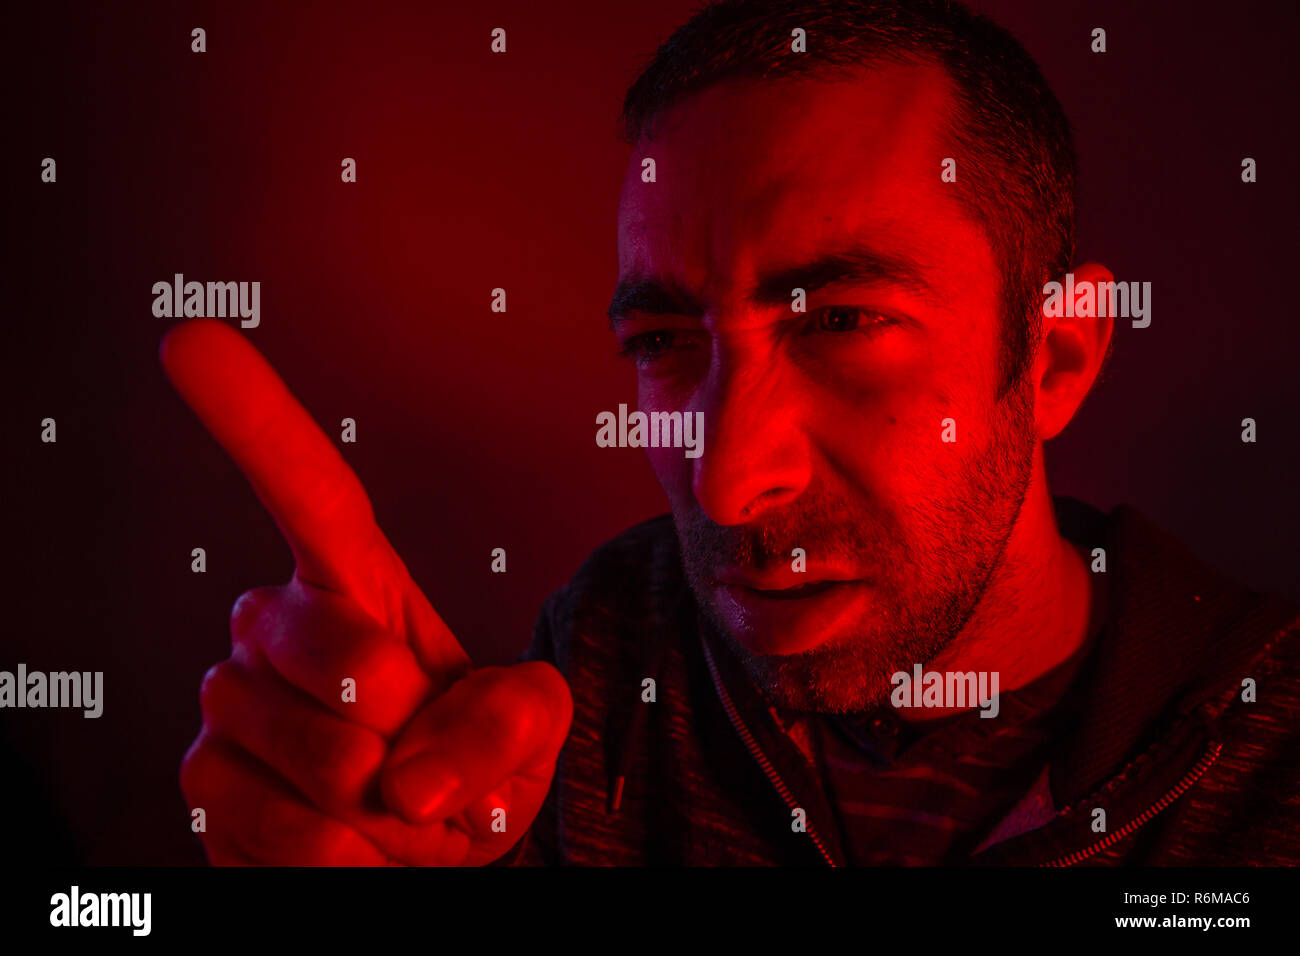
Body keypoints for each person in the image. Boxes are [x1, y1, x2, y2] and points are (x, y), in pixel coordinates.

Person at [166, 0, 1300, 866]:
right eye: (665, 340)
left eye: (846, 323)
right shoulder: (602, 660)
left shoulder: (1271, 758)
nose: (724, 482)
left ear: (1053, 358)